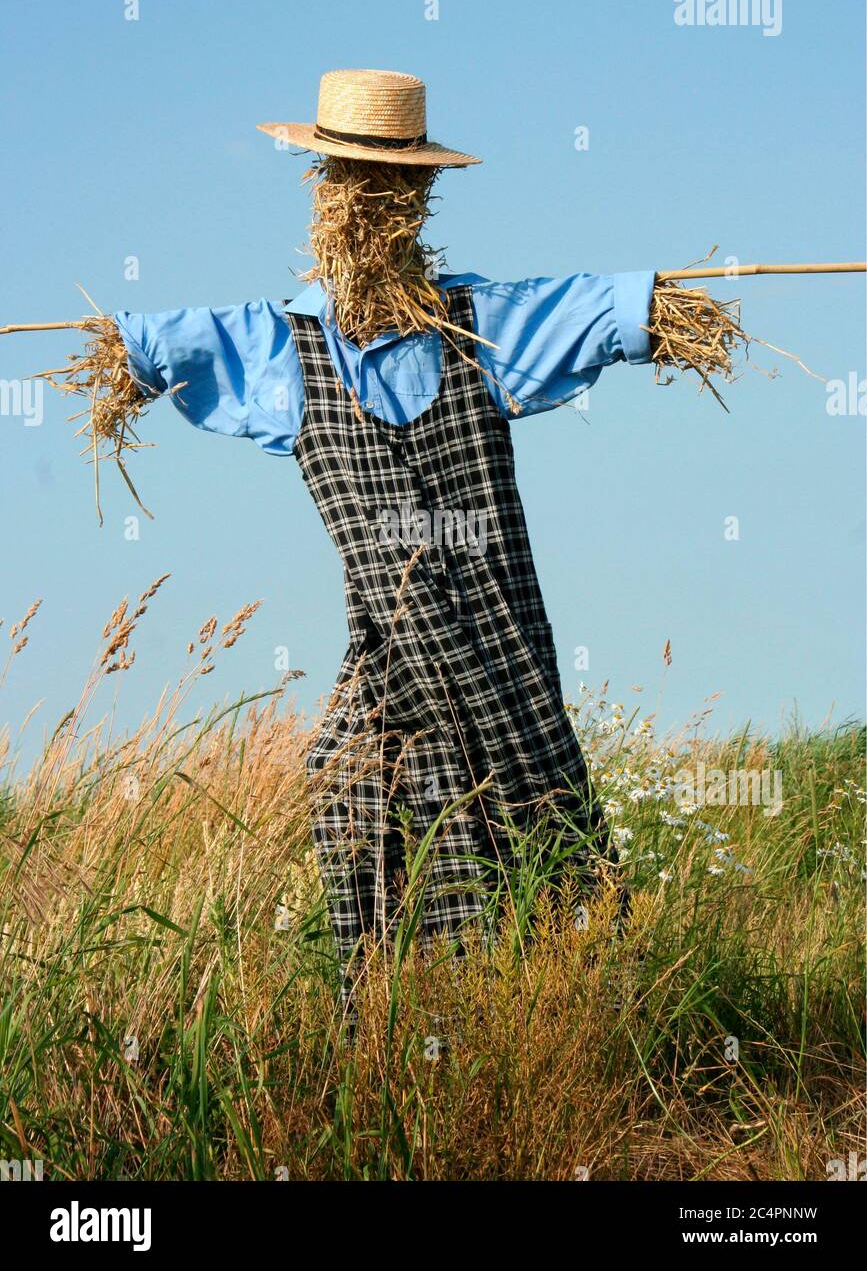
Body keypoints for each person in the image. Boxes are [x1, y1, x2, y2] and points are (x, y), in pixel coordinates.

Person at [114, 68, 656, 1005]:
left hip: (502, 653)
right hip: (390, 652)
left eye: (389, 184)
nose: (366, 199)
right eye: (348, 180)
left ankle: (571, 1020)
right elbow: (167, 340)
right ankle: (402, 1023)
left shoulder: (481, 324)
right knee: (354, 789)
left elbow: (602, 304)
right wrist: (118, 349)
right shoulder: (285, 345)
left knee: (541, 818)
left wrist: (667, 307)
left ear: (418, 197)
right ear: (322, 189)